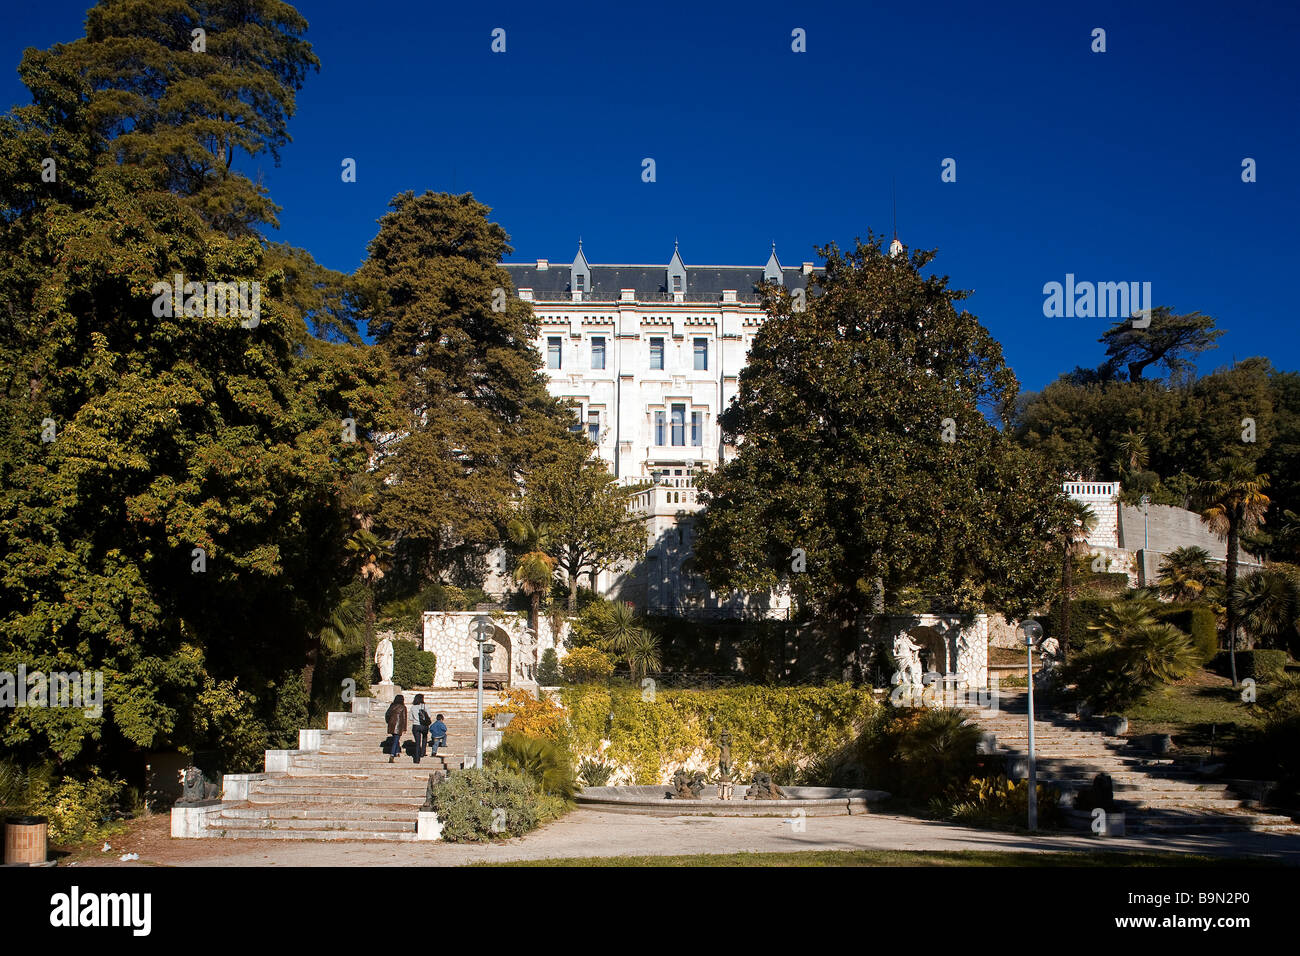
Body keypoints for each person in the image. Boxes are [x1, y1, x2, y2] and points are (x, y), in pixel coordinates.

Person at [385, 694, 407, 763]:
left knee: (396, 739)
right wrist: (404, 728)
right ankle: (392, 755)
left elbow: (387, 715)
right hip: (398, 726)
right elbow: (404, 718)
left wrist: (389, 722)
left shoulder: (392, 706)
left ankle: (397, 752)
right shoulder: (403, 707)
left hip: (391, 725)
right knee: (395, 740)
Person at [409, 694, 431, 763]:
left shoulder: (413, 707)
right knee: (424, 737)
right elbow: (429, 715)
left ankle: (417, 758)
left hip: (416, 725)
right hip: (424, 725)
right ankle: (423, 752)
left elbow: (410, 718)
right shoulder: (425, 706)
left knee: (417, 742)